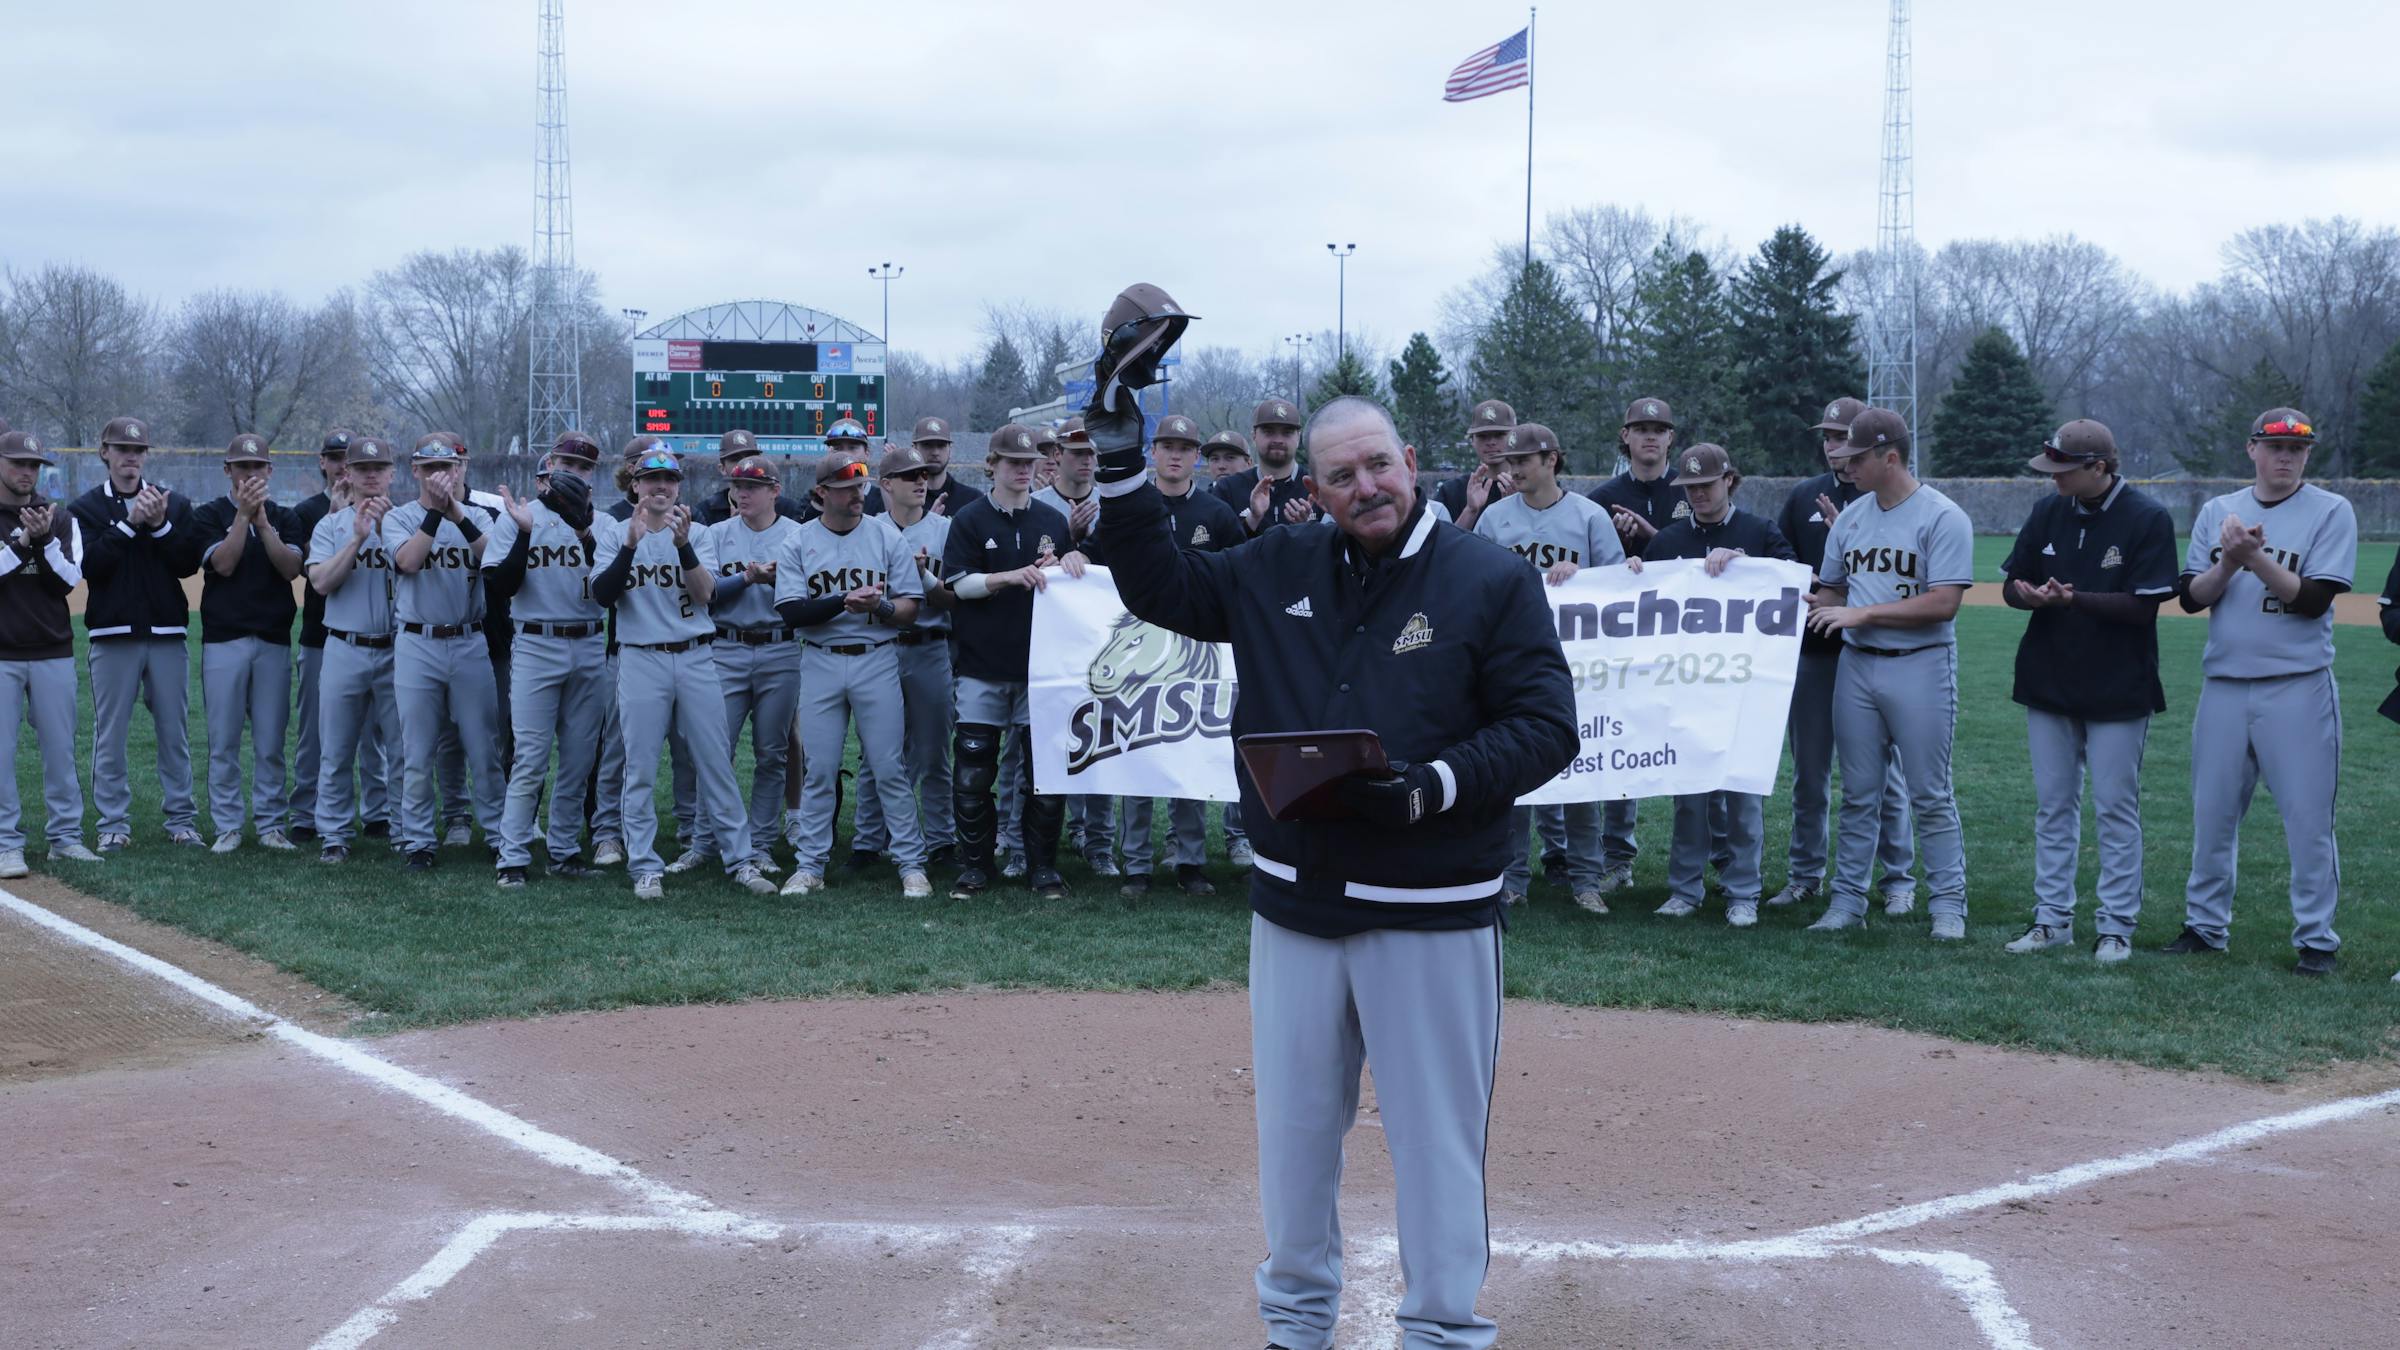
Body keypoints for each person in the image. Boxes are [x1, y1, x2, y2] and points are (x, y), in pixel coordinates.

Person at [1092, 380, 1577, 1350]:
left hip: (1432, 911)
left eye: (1381, 464)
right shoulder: (1273, 565)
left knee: (1437, 1147)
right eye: (1343, 473)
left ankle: (1441, 1332)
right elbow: (1158, 587)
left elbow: (1546, 727)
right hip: (1295, 908)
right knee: (1297, 1145)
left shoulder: (1486, 578)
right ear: (1313, 485)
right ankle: (1297, 1328)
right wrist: (1117, 460)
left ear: (1411, 463)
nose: (1368, 486)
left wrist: (1432, 784)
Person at [2168, 408, 2357, 976]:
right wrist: (2229, 561)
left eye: (2297, 448)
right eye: (2274, 445)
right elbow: (2192, 598)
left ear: (2307, 455)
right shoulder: (2217, 511)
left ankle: (2317, 940)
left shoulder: (2331, 510)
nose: (2286, 456)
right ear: (2251, 448)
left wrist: (2255, 558)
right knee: (2213, 815)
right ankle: (2204, 928)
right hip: (2224, 684)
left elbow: (2313, 600)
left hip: (2297, 685)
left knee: (2307, 820)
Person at [1998, 420, 2176, 964]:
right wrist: (2026, 595)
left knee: (2115, 809)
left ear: (2099, 467)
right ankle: (2052, 920)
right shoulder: (2047, 510)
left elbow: (2144, 606)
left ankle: (2116, 926)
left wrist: (2072, 599)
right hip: (2049, 677)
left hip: (2119, 685)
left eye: (2064, 468)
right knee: (2053, 808)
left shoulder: (2147, 516)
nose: (2053, 478)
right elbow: (2011, 584)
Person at [1803, 409, 1975, 939]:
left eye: (1857, 457)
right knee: (1858, 793)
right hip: (1858, 666)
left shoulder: (1943, 516)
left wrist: (1862, 613)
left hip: (1920, 664)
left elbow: (1944, 602)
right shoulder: (1851, 520)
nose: (1846, 465)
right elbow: (1830, 594)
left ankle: (1948, 903)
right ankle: (1847, 901)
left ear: (1890, 457)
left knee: (1930, 792)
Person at [1064, 411, 1241, 897]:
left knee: (1189, 759)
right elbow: (1098, 561)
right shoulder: (1127, 509)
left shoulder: (1216, 515)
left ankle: (1190, 862)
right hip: (1139, 654)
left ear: (1197, 458)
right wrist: (1077, 551)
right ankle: (1137, 864)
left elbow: (1242, 574)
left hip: (1197, 652)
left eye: (1186, 448)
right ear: (1153, 454)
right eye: (1168, 446)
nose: (1177, 454)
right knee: (1137, 758)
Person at [587, 445, 775, 900]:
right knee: (642, 766)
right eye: (651, 479)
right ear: (635, 484)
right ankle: (646, 866)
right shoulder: (615, 532)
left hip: (694, 653)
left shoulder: (698, 533)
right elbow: (603, 595)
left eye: (669, 479)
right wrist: (631, 544)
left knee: (716, 762)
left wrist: (684, 545)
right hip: (641, 655)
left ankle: (741, 860)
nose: (661, 486)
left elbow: (708, 594)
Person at [1630, 444, 1795, 928]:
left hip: (1744, 689)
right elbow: (1643, 608)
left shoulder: (1760, 533)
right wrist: (1634, 574)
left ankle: (1742, 890)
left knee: (1743, 798)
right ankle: (1685, 889)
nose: (1699, 493)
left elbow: (1791, 586)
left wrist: (1748, 563)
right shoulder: (1669, 541)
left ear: (1730, 481)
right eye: (1690, 487)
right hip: (1687, 689)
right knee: (1689, 798)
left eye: (1707, 484)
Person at [1771, 397, 1915, 912]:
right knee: (1809, 774)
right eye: (1827, 438)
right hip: (1814, 648)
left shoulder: (1891, 500)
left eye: (1841, 437)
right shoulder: (1805, 495)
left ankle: (1897, 878)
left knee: (1883, 775)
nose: (1833, 447)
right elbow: (1780, 560)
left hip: (1874, 651)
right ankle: (1806, 874)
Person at [1471, 421, 1621, 911]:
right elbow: (1472, 584)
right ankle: (1512, 878)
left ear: (1551, 460)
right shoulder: (1494, 517)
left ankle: (1586, 880)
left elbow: (1622, 590)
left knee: (1582, 772)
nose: (1512, 469)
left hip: (1577, 664)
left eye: (1523, 461)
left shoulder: (1589, 516)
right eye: (1509, 461)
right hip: (1510, 662)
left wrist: (1586, 577)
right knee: (1510, 771)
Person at [771, 453, 930, 897]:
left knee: (888, 767)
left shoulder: (884, 536)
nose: (857, 494)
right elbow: (790, 613)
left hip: (876, 655)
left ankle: (910, 864)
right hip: (820, 658)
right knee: (819, 769)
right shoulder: (799, 541)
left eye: (860, 485)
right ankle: (810, 865)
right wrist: (844, 600)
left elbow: (910, 609)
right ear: (822, 493)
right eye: (845, 487)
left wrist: (876, 605)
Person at [941, 423, 1072, 899]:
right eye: (1013, 462)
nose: (1022, 470)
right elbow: (957, 584)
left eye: (1030, 462)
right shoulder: (970, 519)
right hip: (981, 665)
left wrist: (1074, 564)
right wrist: (1007, 577)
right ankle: (976, 866)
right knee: (974, 772)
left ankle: (1041, 867)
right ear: (991, 464)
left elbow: (1074, 582)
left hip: (1040, 670)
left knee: (1044, 777)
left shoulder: (1053, 522)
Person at [483, 430, 612, 888]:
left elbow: (611, 588)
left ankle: (563, 850)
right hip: (537, 643)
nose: (574, 474)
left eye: (583, 468)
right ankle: (512, 855)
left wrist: (584, 529)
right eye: (567, 465)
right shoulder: (521, 515)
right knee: (531, 757)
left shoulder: (606, 525)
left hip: (590, 642)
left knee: (578, 758)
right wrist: (523, 534)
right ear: (548, 470)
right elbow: (501, 586)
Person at [1583, 396, 1701, 891]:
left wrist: (1652, 538)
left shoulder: (1692, 488)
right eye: (1641, 427)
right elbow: (1589, 573)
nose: (1651, 435)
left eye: (1660, 428)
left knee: (1689, 744)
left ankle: (1701, 861)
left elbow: (1703, 551)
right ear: (1625, 436)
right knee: (1617, 744)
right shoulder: (1604, 496)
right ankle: (1617, 857)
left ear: (1672, 437)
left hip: (1682, 640)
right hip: (1621, 642)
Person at [69, 414, 203, 851]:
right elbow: (90, 566)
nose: (130, 457)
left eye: (138, 450)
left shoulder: (172, 502)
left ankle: (182, 821)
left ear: (146, 455)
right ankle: (113, 824)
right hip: (112, 635)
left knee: (174, 733)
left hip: (166, 632)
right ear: (104, 452)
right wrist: (129, 523)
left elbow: (187, 563)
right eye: (122, 449)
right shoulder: (86, 508)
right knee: (111, 734)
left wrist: (161, 524)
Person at [381, 433, 504, 871]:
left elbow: (494, 562)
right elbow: (409, 561)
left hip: (469, 640)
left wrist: (456, 513)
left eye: (447, 467)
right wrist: (434, 515)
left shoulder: (480, 515)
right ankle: (418, 842)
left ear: (460, 470)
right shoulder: (398, 517)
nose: (439, 476)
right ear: (415, 470)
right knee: (417, 751)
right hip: (417, 641)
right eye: (429, 468)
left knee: (483, 747)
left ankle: (497, 836)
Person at [191, 433, 304, 853]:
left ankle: (272, 824)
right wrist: (241, 518)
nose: (250, 474)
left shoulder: (284, 516)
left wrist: (262, 522)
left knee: (271, 741)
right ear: (228, 471)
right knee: (223, 741)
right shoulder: (208, 515)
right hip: (224, 640)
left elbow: (291, 568)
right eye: (242, 467)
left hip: (273, 639)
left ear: (270, 471)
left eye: (258, 467)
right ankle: (228, 826)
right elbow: (222, 563)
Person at [849, 445, 958, 868]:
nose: (921, 482)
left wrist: (925, 579)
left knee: (933, 752)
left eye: (925, 474)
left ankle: (941, 840)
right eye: (910, 475)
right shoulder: (867, 528)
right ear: (886, 484)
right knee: (877, 752)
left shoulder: (946, 529)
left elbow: (954, 600)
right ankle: (867, 841)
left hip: (929, 646)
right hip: (879, 648)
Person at [0, 430, 99, 876]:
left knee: (60, 750)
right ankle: (6, 843)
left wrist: (41, 540)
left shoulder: (58, 517)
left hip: (52, 649)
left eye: (35, 465)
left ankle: (65, 838)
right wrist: (22, 543)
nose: (27, 471)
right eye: (18, 462)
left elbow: (67, 581)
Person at [700, 456, 804, 875]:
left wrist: (774, 579)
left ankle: (760, 844)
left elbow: (807, 595)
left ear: (774, 491)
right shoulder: (717, 533)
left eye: (752, 486)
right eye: (737, 486)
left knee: (771, 753)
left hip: (780, 648)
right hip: (727, 646)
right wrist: (746, 578)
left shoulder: (797, 535)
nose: (742, 493)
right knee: (714, 750)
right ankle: (706, 839)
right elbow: (705, 592)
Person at [305, 435, 404, 865]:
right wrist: (358, 539)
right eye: (362, 468)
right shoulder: (330, 525)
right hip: (344, 645)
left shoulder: (409, 521)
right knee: (337, 748)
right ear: (348, 473)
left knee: (404, 750)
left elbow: (416, 573)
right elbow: (322, 583)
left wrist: (383, 531)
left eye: (378, 468)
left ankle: (405, 830)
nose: (370, 475)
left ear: (392, 474)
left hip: (399, 648)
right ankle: (335, 834)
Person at [1035, 415, 1112, 872]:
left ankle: (1098, 841)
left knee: (1101, 740)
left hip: (1102, 641)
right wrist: (1068, 541)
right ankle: (1018, 834)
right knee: (1040, 742)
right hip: (1047, 641)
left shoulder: (1112, 501)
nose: (1085, 460)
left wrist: (1087, 542)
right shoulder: (1038, 502)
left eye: (1091, 452)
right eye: (1077, 451)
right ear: (1057, 454)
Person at [287, 428, 355, 842]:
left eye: (350, 459)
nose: (342, 466)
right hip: (318, 633)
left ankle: (379, 811)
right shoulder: (305, 511)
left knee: (373, 736)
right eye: (335, 458)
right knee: (313, 731)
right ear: (322, 462)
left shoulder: (380, 509)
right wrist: (333, 515)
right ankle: (305, 812)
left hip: (370, 635)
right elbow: (305, 572)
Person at [1214, 396, 1317, 539]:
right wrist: (1253, 519)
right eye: (1269, 432)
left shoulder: (1317, 488)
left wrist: (1306, 530)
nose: (1278, 440)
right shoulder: (1228, 490)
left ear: (1298, 437)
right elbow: (1219, 553)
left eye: (1287, 432)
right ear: (1254, 436)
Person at [1432, 398, 1518, 533]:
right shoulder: (1451, 491)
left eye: (1500, 435)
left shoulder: (1528, 488)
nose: (1491, 442)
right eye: (1482, 436)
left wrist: (1518, 507)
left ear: (1514, 438)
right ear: (1472, 441)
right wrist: (1470, 510)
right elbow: (1439, 547)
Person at [692, 428, 809, 525]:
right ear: (722, 468)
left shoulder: (786, 508)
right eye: (735, 459)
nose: (744, 463)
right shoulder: (705, 512)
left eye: (749, 457)